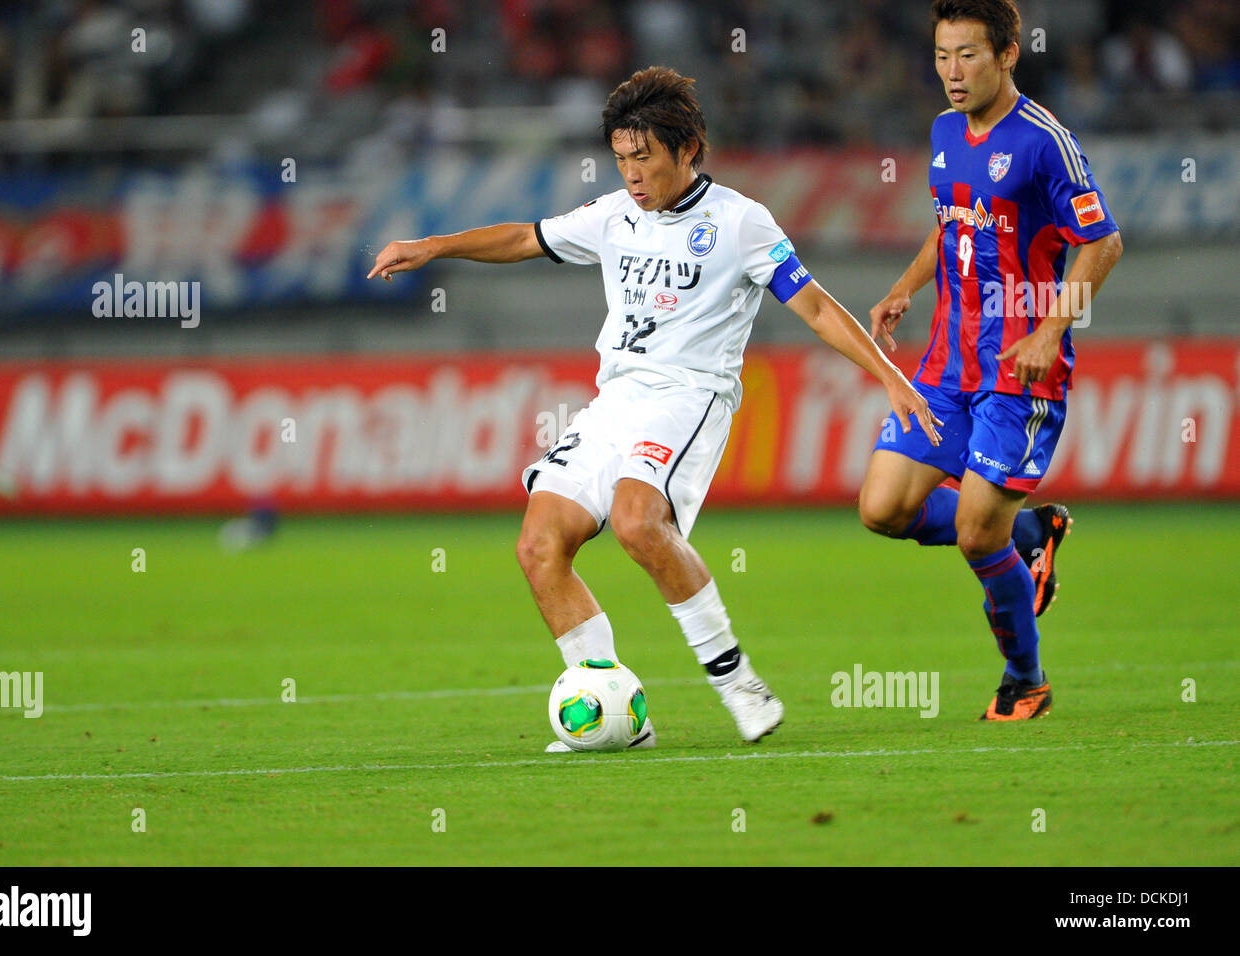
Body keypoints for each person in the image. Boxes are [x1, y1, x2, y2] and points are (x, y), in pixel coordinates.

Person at [370, 66, 941, 750]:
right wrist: (433, 247)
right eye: (620, 159)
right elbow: (527, 238)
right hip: (616, 399)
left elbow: (815, 306)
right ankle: (612, 708)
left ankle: (739, 684)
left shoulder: (740, 222)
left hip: (690, 395)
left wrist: (888, 375)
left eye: (643, 158)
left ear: (688, 149)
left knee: (641, 524)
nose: (632, 175)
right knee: (538, 546)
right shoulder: (614, 215)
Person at [859, 0, 1123, 720]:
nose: (952, 71)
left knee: (977, 531)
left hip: (1018, 371)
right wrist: (904, 289)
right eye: (943, 56)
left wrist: (1047, 332)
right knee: (881, 508)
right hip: (947, 363)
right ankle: (1032, 531)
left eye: (968, 55)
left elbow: (1103, 242)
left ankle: (1024, 678)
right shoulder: (945, 130)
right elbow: (951, 224)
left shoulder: (1046, 142)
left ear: (1008, 54)